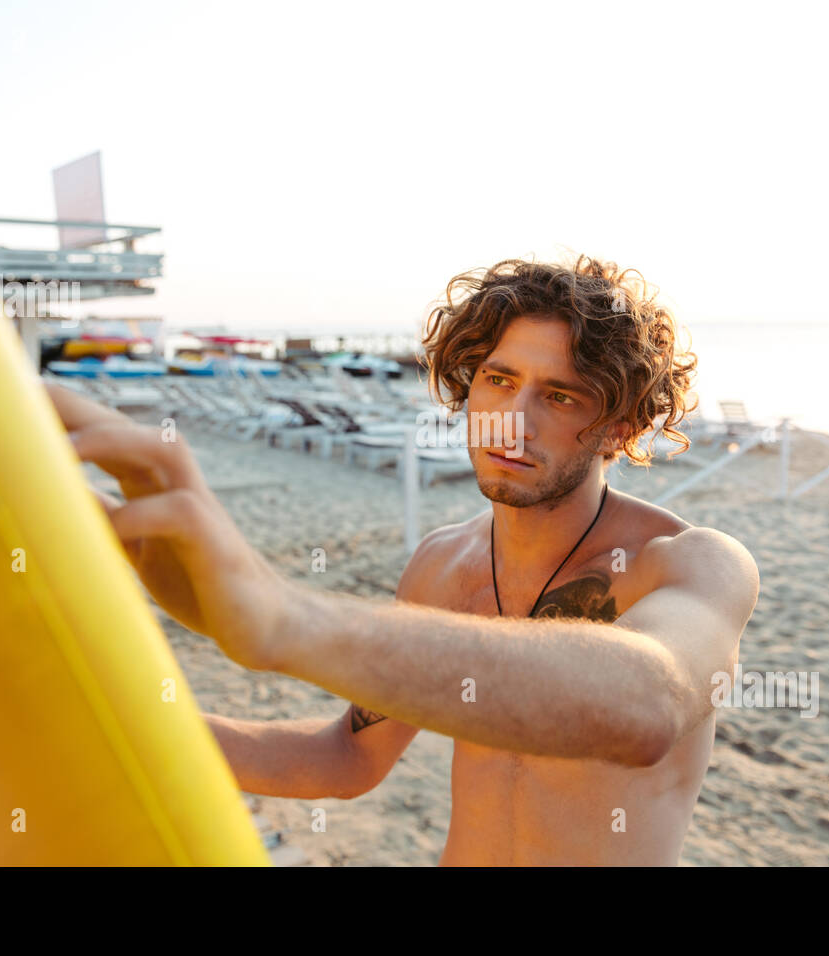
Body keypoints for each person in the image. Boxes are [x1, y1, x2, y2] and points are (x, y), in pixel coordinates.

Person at [47, 254, 760, 866]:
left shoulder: (691, 565)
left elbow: (647, 705)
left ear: (620, 426)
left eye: (561, 394)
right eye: (499, 380)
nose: (514, 418)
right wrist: (130, 728)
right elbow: (348, 758)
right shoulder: (443, 565)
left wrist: (283, 618)